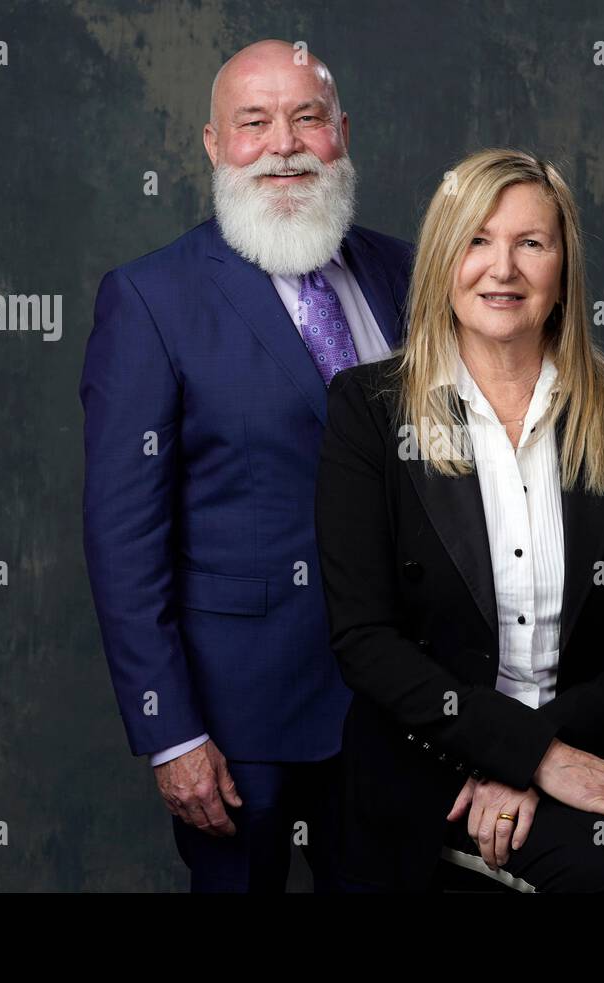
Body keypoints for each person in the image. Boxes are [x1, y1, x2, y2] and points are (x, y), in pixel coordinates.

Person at [314, 148, 604, 892]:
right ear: (442, 261)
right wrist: (528, 754)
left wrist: (549, 754)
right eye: (477, 240)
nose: (503, 268)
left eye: (532, 243)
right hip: (430, 767)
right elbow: (365, 641)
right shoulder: (367, 412)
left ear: (564, 271)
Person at [79, 39, 413, 892]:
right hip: (239, 727)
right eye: (253, 122)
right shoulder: (151, 298)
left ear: (343, 131)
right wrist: (172, 731)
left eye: (307, 117)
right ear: (211, 144)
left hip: (405, 711)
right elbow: (125, 538)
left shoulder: (408, 272)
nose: (284, 144)